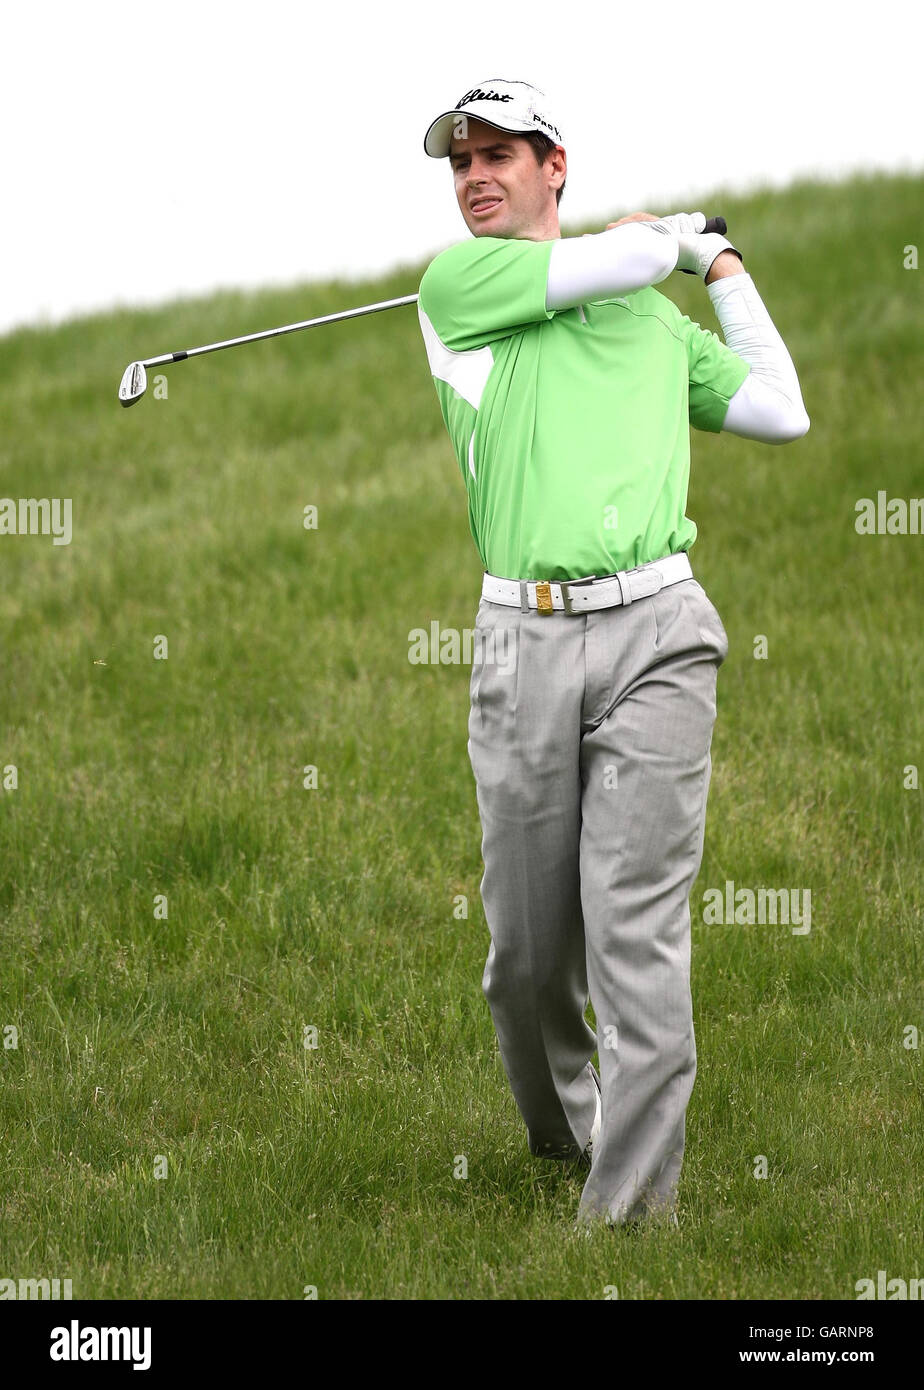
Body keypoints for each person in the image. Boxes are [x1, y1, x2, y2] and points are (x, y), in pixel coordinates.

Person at [417, 79, 809, 1228]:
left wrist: (723, 271)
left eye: (501, 152)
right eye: (460, 159)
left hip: (659, 636)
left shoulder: (646, 316)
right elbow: (619, 263)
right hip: (521, 642)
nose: (476, 173)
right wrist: (671, 239)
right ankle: (569, 1136)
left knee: (635, 931)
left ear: (556, 165)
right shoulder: (460, 286)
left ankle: (628, 1221)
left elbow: (782, 410)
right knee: (528, 956)